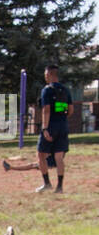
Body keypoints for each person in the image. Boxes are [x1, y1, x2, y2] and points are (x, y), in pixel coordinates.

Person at [36, 64, 72, 193]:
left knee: (40, 154)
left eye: (46, 75)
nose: (45, 77)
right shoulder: (65, 90)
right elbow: (70, 110)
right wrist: (61, 119)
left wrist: (45, 128)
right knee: (59, 157)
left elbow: (46, 110)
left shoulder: (47, 90)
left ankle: (47, 183)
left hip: (50, 126)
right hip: (63, 126)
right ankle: (60, 187)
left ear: (51, 75)